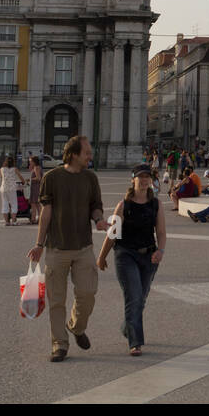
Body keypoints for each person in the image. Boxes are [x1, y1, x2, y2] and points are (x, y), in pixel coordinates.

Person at [27, 135, 107, 363]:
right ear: (73, 154)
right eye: (87, 153)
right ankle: (59, 344)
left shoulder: (90, 178)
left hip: (83, 247)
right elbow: (46, 213)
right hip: (56, 248)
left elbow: (96, 207)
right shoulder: (52, 178)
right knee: (56, 300)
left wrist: (99, 220)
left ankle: (76, 326)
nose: (90, 157)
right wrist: (39, 244)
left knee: (87, 293)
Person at [97, 164, 166, 356]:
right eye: (140, 177)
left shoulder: (156, 204)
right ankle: (135, 343)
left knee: (141, 299)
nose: (144, 180)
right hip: (125, 254)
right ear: (133, 180)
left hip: (149, 256)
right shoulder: (123, 205)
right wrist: (101, 257)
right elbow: (113, 234)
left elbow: (160, 232)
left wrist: (160, 250)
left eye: (147, 177)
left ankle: (128, 326)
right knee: (134, 296)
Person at [0, 155, 24, 226]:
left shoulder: (1, 169)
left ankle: (6, 222)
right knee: (14, 204)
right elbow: (20, 177)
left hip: (3, 188)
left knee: (5, 204)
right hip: (12, 188)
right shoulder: (14, 169)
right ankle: (14, 221)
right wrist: (23, 181)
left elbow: (2, 177)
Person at [27, 153, 44, 219]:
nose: (29, 162)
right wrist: (31, 166)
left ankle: (33, 219)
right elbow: (30, 169)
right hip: (37, 187)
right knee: (37, 204)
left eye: (30, 161)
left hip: (35, 188)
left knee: (33, 204)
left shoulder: (36, 168)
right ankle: (39, 218)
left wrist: (30, 179)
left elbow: (38, 178)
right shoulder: (37, 167)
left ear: (34, 161)